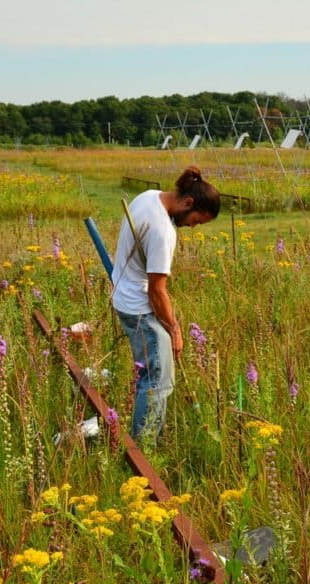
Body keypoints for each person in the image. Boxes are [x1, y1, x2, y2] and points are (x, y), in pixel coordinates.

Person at [111, 166, 220, 443]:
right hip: (139, 308)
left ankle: (151, 437)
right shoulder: (163, 231)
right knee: (157, 380)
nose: (192, 226)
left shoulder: (148, 197)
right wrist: (174, 330)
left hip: (125, 295)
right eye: (196, 221)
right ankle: (144, 448)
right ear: (188, 203)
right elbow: (157, 292)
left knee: (156, 373)